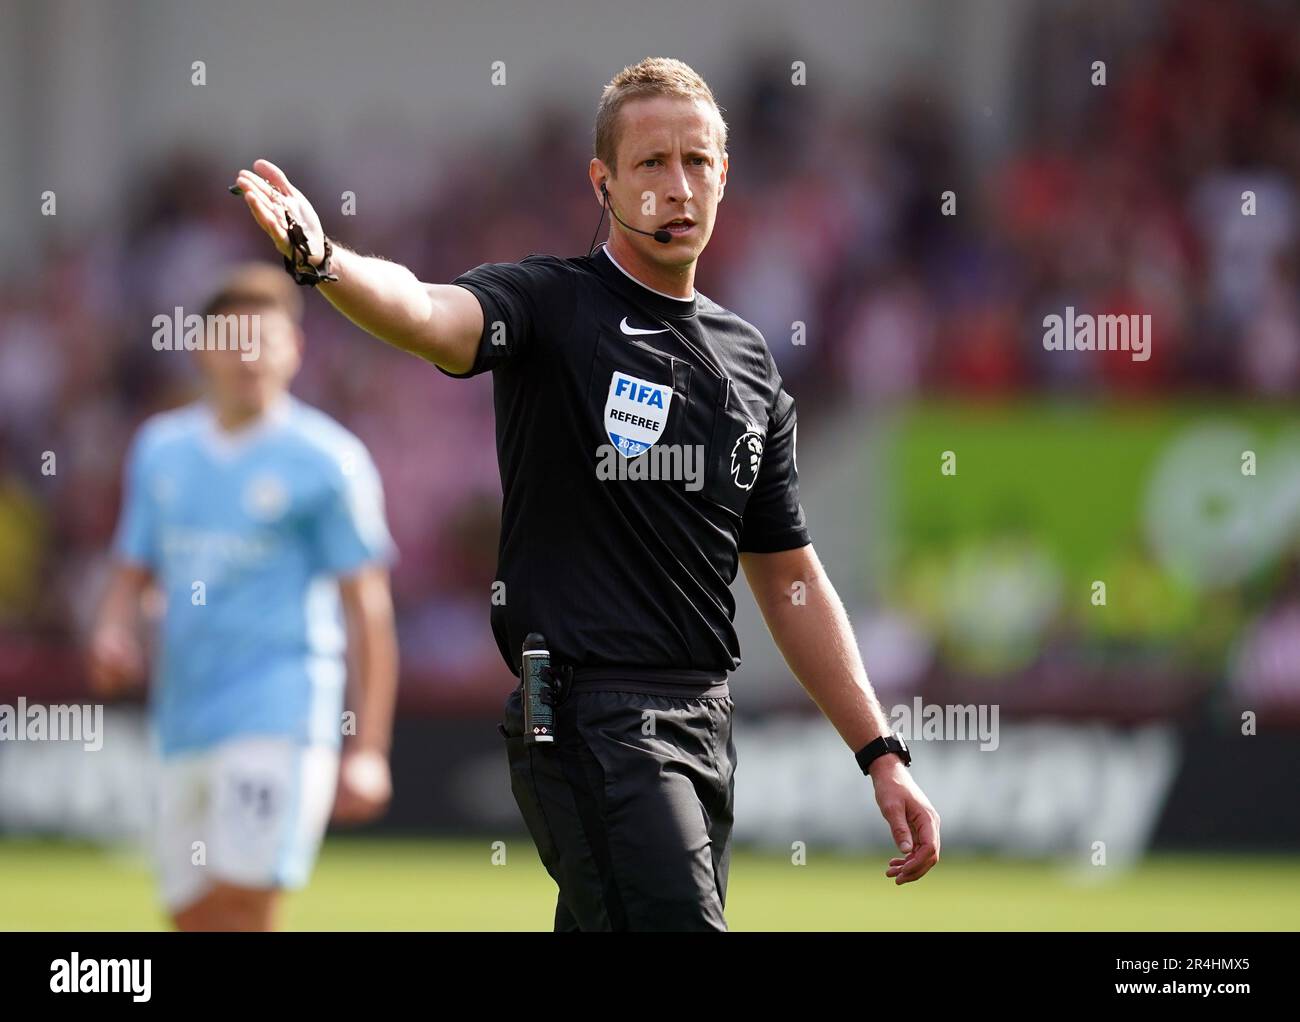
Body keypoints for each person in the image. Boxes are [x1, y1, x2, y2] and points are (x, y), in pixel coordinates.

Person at [232, 56, 939, 931]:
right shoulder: (551, 305)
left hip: (703, 719)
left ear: (725, 175)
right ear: (604, 182)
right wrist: (326, 261)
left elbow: (790, 578)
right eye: (650, 165)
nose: (677, 187)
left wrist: (880, 751)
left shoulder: (750, 362)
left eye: (697, 163)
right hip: (581, 709)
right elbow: (423, 312)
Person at [88, 265, 399, 931]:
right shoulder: (160, 450)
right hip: (184, 718)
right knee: (193, 915)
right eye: (234, 340)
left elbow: (367, 608)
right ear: (203, 347)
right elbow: (131, 570)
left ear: (295, 349)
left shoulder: (327, 461)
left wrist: (368, 748)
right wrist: (113, 630)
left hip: (279, 712)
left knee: (245, 905)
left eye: (266, 340)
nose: (249, 357)